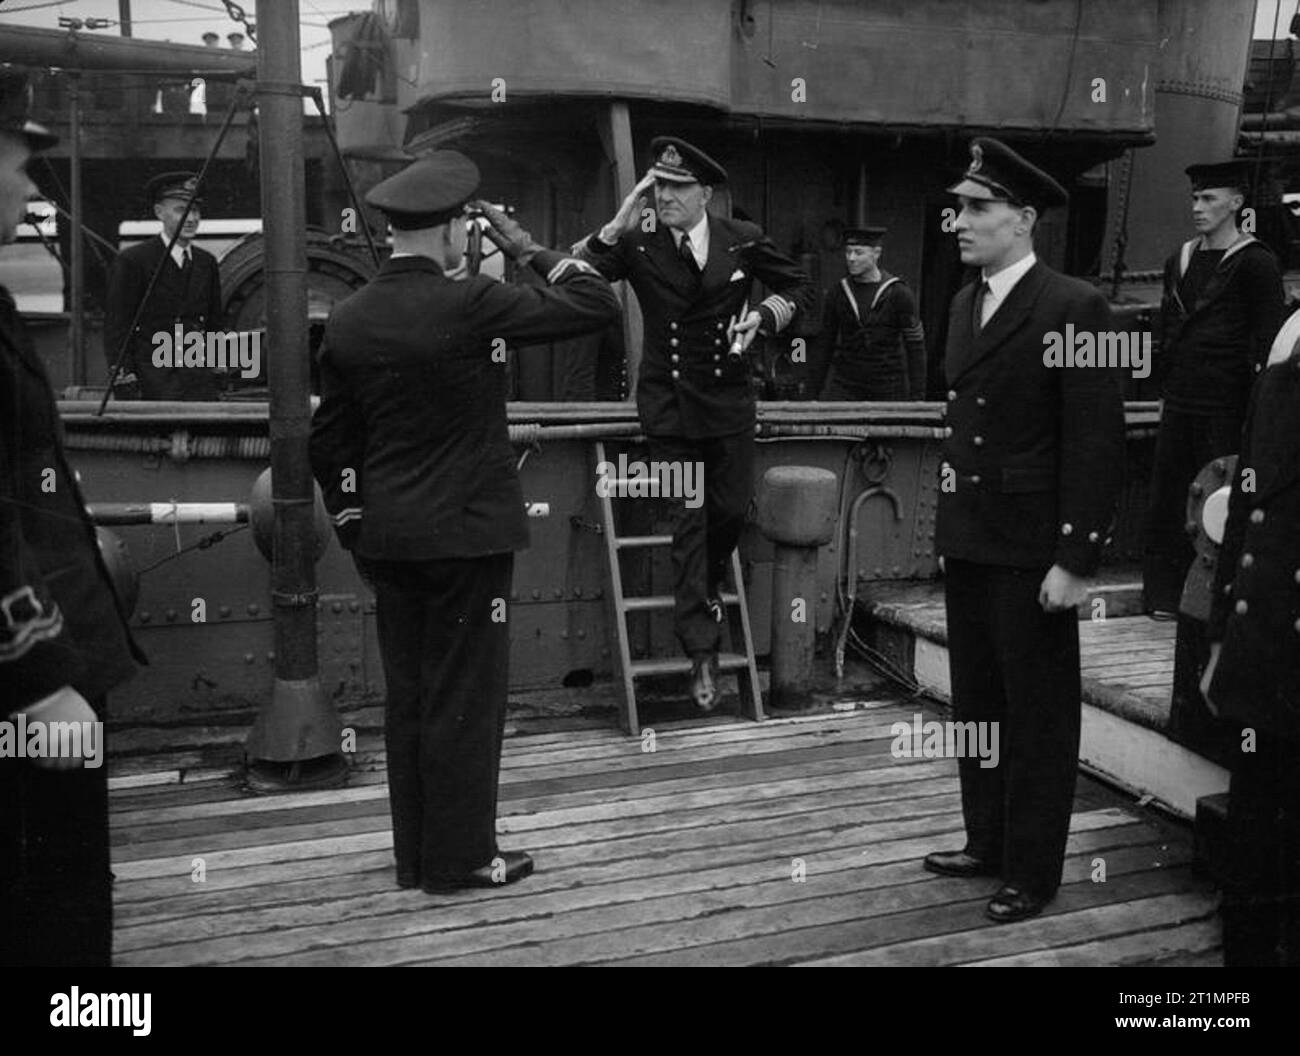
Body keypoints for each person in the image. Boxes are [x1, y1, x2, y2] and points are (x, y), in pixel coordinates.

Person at [309, 151, 619, 893]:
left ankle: (416, 854)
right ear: (451, 228)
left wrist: (355, 524)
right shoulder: (473, 301)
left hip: (389, 539)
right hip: (469, 538)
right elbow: (596, 307)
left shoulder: (348, 318)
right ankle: (463, 858)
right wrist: (528, 249)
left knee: (411, 695)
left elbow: (331, 442)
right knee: (467, 702)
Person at [925, 138, 1126, 923]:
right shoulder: (961, 302)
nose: (960, 221)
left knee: (1039, 716)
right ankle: (987, 842)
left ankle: (1033, 870)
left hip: (1034, 548)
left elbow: (1098, 440)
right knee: (977, 703)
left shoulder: (1077, 306)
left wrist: (1078, 557)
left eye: (977, 209)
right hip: (972, 538)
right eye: (960, 207)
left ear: (1024, 218)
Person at [577, 136, 813, 708]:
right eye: (658, 185)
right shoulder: (639, 242)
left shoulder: (743, 240)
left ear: (705, 193)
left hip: (729, 403)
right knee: (690, 518)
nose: (665, 195)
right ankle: (701, 654)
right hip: (669, 410)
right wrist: (615, 225)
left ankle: (702, 592)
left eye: (677, 187)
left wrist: (761, 314)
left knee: (728, 512)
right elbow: (576, 273)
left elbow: (799, 287)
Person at [0, 69, 143, 966]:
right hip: (27, 680)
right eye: (14, 163)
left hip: (48, 662)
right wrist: (41, 670)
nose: (26, 187)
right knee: (53, 896)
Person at [1142, 160, 1285, 616]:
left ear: (1236, 203)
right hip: (1181, 399)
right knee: (1167, 496)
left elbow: (1268, 341)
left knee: (1217, 499)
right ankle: (1162, 596)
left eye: (1208, 199)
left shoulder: (1256, 263)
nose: (1197, 208)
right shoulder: (1179, 260)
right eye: (1194, 199)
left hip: (1226, 402)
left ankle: (1211, 601)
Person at [1200, 347, 1300, 966]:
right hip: (1263, 652)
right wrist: (1218, 643)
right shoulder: (1280, 381)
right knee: (1255, 830)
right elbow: (1243, 514)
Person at [104, 171, 225, 400]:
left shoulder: (206, 262)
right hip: (152, 383)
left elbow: (214, 323)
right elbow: (117, 327)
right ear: (159, 212)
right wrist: (124, 379)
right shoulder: (134, 261)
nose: (191, 218)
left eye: (196, 210)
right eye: (181, 210)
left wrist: (218, 371)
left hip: (198, 383)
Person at [818, 226, 926, 400]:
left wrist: (918, 397)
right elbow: (824, 345)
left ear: (876, 254)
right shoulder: (838, 293)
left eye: (858, 252)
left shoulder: (899, 293)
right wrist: (811, 395)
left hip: (888, 386)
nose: (851, 258)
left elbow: (915, 348)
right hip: (846, 386)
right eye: (848, 252)